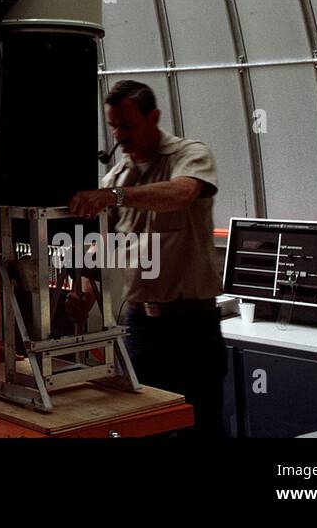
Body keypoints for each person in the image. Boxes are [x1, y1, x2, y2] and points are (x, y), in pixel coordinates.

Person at [67, 79, 226, 437]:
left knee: (201, 425)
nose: (119, 136)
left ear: (153, 117)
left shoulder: (189, 155)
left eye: (127, 125)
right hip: (142, 328)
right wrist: (84, 290)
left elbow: (182, 194)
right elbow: (103, 247)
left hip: (192, 327)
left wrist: (115, 196)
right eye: (113, 127)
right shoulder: (117, 176)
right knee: (144, 425)